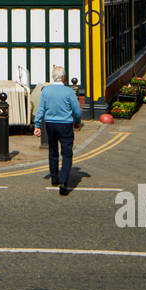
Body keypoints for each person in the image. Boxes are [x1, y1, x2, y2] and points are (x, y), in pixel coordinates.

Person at [33, 66, 82, 196]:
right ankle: (64, 182)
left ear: (52, 77)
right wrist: (77, 120)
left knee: (53, 150)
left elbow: (40, 109)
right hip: (65, 124)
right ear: (64, 77)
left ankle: (54, 178)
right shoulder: (69, 92)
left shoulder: (46, 91)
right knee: (67, 154)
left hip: (50, 124)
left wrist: (37, 125)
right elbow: (76, 110)